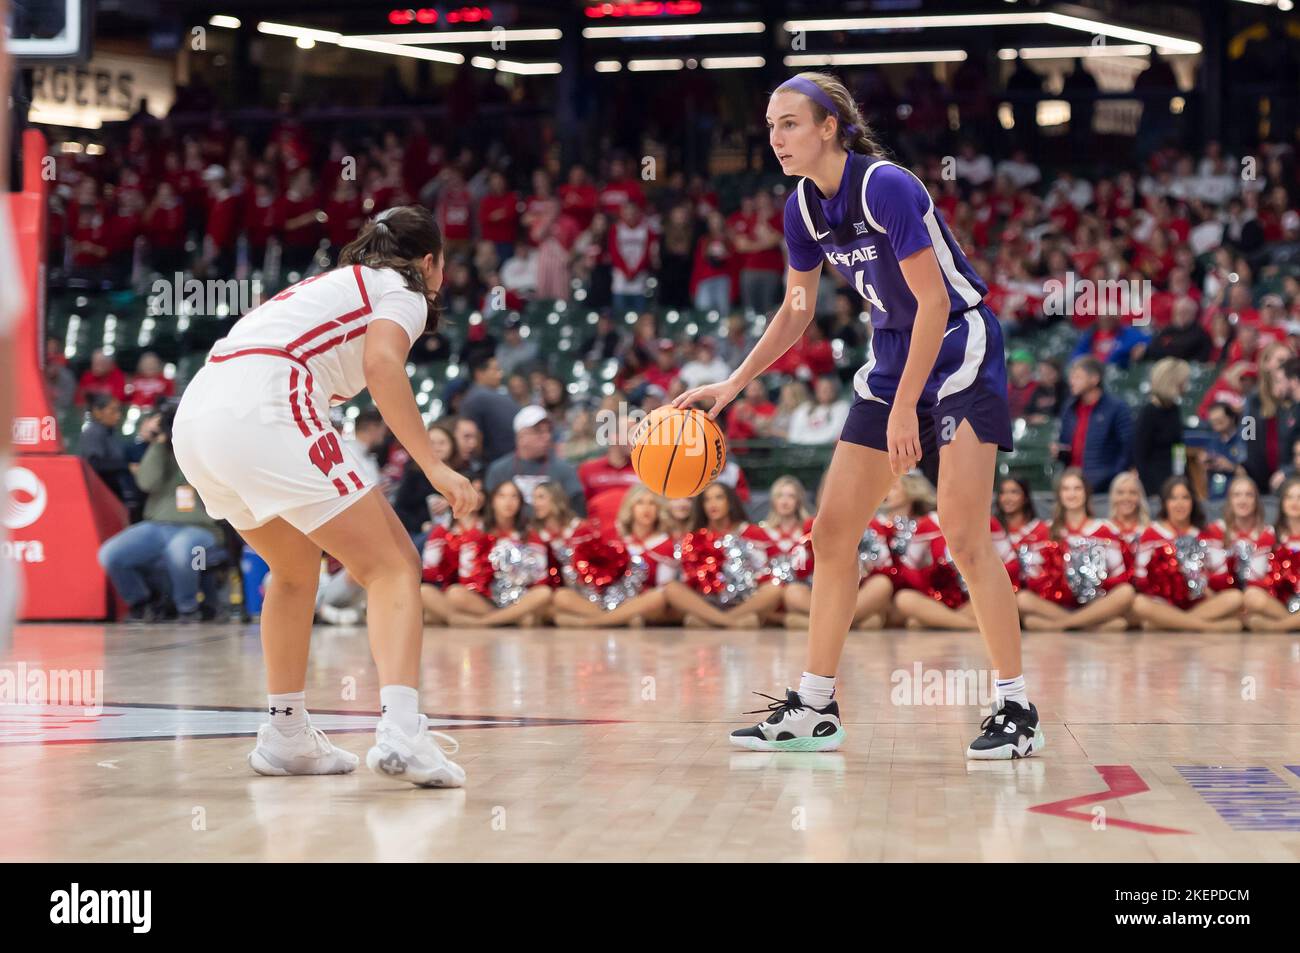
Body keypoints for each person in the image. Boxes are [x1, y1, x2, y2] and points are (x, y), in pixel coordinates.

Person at [675, 72, 1039, 759]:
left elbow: (934, 304)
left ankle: (1016, 705)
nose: (776, 137)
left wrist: (907, 407)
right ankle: (816, 706)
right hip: (895, 357)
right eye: (771, 125)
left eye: (789, 124)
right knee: (831, 532)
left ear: (828, 128)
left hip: (960, 348)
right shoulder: (802, 210)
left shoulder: (887, 187)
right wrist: (735, 381)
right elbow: (797, 312)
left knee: (962, 531)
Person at [172, 206, 478, 787]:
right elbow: (383, 365)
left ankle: (286, 732)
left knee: (292, 568)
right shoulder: (404, 287)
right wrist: (433, 465)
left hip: (198, 414)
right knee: (394, 565)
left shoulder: (331, 284)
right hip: (265, 402)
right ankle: (402, 732)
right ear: (431, 262)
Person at [98, 403, 221, 623]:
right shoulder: (160, 448)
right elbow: (147, 482)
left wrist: (188, 440)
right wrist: (159, 443)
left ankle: (188, 608)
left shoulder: (206, 446)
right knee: (110, 554)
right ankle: (142, 603)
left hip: (201, 529)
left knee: (182, 553)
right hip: (158, 526)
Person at [1015, 469, 1136, 631]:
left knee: (1126, 593)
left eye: (1077, 488)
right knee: (1022, 598)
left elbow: (1119, 575)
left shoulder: (1104, 530)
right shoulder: (1044, 530)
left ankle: (1062, 625)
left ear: (1086, 493)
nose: (1072, 494)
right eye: (1066, 489)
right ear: (1059, 495)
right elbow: (1032, 576)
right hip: (1055, 606)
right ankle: (1089, 625)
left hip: (1095, 604)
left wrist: (1097, 587)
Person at [1131, 476, 1241, 632]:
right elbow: (1141, 578)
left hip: (1200, 602)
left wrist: (1200, 584)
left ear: (1193, 502)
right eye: (1173, 498)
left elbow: (1221, 575)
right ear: (1165, 503)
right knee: (1139, 603)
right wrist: (1166, 582)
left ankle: (1170, 624)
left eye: (1185, 498)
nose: (1179, 504)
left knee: (1235, 597)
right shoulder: (1151, 533)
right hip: (1162, 603)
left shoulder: (1208, 533)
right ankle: (1206, 626)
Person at [484, 405, 586, 515]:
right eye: (539, 432)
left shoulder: (564, 469)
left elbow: (578, 510)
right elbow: (489, 512)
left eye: (548, 431)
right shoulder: (499, 470)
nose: (547, 436)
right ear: (521, 436)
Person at [1056, 356, 1134, 493]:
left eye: (1077, 377)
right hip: (1074, 485)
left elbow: (1128, 447)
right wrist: (1060, 452)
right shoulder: (1069, 408)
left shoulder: (1117, 408)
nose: (1071, 381)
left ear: (1094, 379)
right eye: (1071, 377)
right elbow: (1065, 443)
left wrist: (1115, 477)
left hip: (1104, 487)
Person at [1132, 357, 1190, 498]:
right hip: (1154, 485)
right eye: (1183, 381)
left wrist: (1182, 477)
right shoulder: (1149, 412)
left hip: (1174, 480)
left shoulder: (1174, 409)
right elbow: (1139, 455)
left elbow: (1178, 447)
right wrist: (1149, 488)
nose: (1186, 385)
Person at [459, 350, 520, 465]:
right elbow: (473, 437)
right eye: (496, 369)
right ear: (479, 373)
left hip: (509, 461)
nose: (500, 374)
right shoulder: (475, 399)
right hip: (498, 463)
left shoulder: (498, 394)